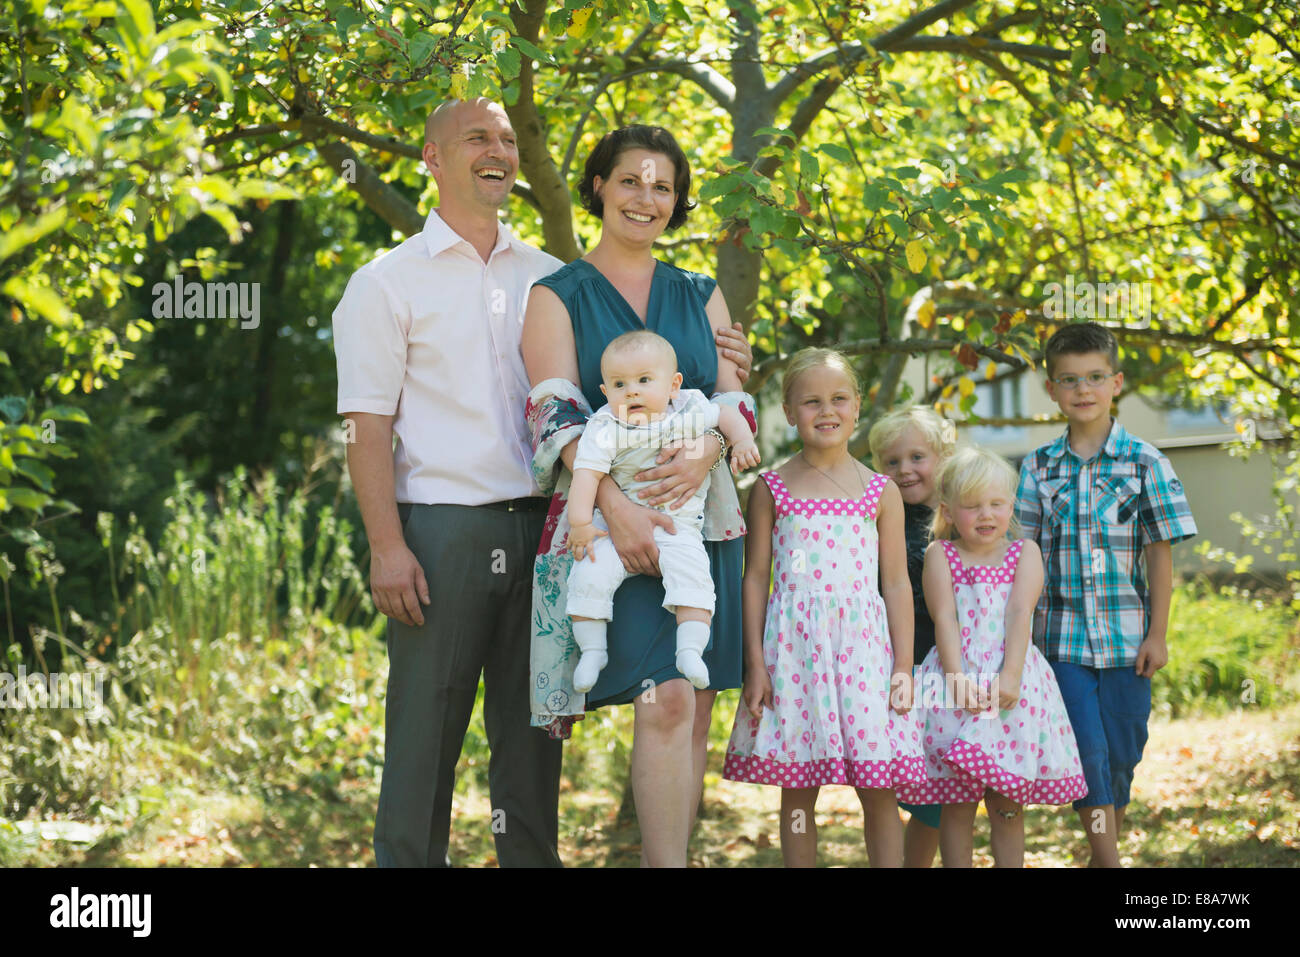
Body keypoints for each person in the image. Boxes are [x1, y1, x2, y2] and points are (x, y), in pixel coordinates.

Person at [332, 99, 750, 868]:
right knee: (427, 728)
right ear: (431, 155)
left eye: (505, 138)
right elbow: (365, 424)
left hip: (553, 527)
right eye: (475, 138)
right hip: (450, 526)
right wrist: (386, 543)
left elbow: (674, 378)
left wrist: (727, 397)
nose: (497, 150)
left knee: (533, 738)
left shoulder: (544, 272)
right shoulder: (386, 282)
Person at [522, 125, 756, 868]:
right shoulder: (556, 295)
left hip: (703, 524)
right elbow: (553, 412)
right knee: (667, 699)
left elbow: (735, 399)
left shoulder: (700, 292)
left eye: (662, 186)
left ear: (677, 201)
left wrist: (712, 448)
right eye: (630, 180)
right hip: (612, 527)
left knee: (692, 710)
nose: (645, 197)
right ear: (598, 185)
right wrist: (615, 514)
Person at [722, 348, 921, 868]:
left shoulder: (881, 492)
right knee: (797, 786)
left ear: (857, 407)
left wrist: (902, 666)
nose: (826, 410)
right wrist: (756, 664)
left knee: (878, 785)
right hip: (795, 655)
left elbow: (897, 583)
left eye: (838, 398)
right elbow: (756, 578)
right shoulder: (771, 488)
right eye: (811, 401)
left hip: (864, 657)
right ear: (789, 410)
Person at [1014, 321, 1197, 868]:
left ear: (1116, 382)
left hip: (1126, 643)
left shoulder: (1145, 462)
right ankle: (1111, 864)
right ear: (1051, 390)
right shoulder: (1038, 467)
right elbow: (1022, 558)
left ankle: (1100, 857)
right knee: (1087, 755)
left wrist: (1158, 634)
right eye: (1069, 380)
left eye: (1095, 377)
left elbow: (1159, 552)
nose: (1083, 390)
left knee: (1121, 757)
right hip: (1060, 644)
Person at [904, 446, 1087, 867]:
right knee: (956, 802)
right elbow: (944, 618)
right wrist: (955, 679)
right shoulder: (940, 556)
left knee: (1007, 802)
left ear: (1011, 506)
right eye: (972, 506)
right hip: (956, 682)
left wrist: (1010, 675)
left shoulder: (1024, 554)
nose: (985, 515)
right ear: (948, 511)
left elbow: (1020, 613)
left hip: (1011, 683)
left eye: (996, 504)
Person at [567, 330, 761, 692]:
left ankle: (689, 651)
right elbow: (585, 477)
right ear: (606, 393)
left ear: (673, 385)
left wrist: (743, 440)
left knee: (694, 579)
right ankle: (593, 649)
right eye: (620, 384)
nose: (632, 391)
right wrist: (579, 523)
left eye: (644, 380)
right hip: (614, 528)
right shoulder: (606, 427)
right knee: (587, 574)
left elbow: (726, 413)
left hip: (679, 528)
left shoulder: (688, 410)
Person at [868, 405, 955, 868]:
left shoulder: (955, 519)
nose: (904, 470)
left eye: (917, 457)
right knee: (898, 784)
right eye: (891, 461)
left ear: (944, 456)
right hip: (891, 665)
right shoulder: (875, 518)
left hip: (944, 668)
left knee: (936, 793)